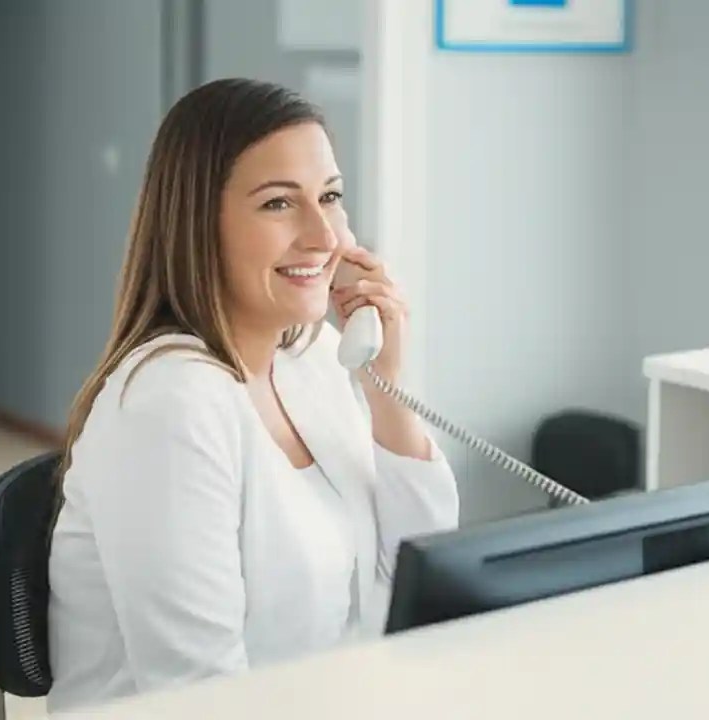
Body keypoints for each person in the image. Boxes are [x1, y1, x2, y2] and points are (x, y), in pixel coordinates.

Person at [46, 78, 459, 713]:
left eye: (330, 196)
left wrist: (388, 385)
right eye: (278, 204)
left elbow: (422, 578)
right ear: (197, 225)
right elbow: (199, 696)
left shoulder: (311, 357)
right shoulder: (168, 405)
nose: (323, 235)